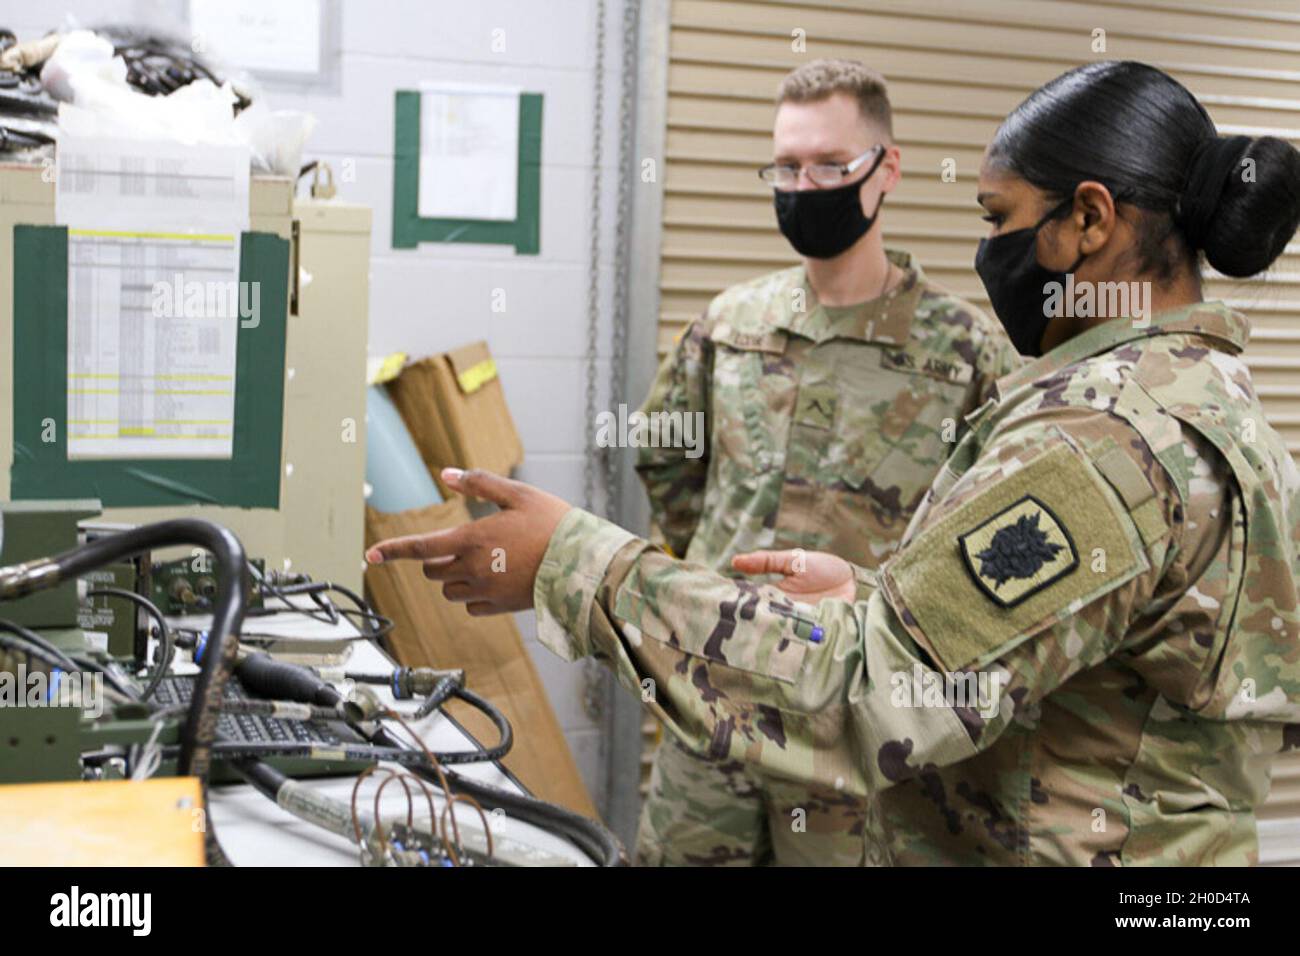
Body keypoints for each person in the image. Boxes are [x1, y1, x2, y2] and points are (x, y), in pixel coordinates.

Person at [367, 61, 1300, 865]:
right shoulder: (1208, 402)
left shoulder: (1101, 437)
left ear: (1088, 220)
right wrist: (868, 596)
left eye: (1000, 216)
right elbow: (1073, 643)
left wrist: (576, 562)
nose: (989, 248)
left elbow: (876, 693)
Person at [632, 58, 1016, 866]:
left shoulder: (961, 353)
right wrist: (717, 564)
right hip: (716, 698)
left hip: (854, 724)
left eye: (831, 167)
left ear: (886, 172)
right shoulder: (731, 324)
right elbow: (668, 463)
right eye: (788, 167)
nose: (805, 187)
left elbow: (985, 530)